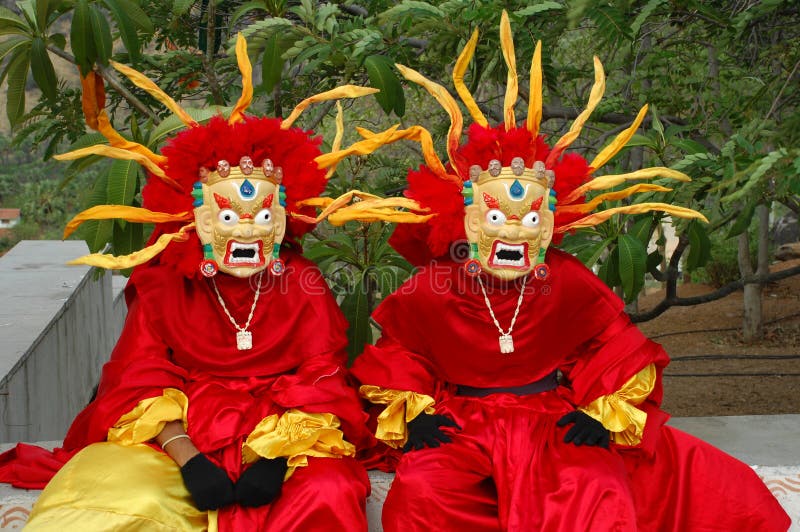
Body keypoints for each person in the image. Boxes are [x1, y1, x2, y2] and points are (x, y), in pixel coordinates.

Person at [349, 13, 791, 531]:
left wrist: (602, 411)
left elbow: (613, 345)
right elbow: (400, 353)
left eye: (530, 219)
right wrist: (415, 412)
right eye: (499, 219)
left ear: (549, 226)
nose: (514, 232)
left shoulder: (565, 278)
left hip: (549, 418)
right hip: (459, 423)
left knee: (595, 484)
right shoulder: (435, 284)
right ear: (468, 221)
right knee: (422, 493)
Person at [0, 35, 389, 531]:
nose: (245, 230)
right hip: (178, 431)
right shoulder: (165, 284)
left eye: (260, 216)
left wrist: (276, 455)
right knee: (124, 495)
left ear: (281, 222)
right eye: (228, 216)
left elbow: (323, 376)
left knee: (328, 491)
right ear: (200, 221)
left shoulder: (302, 281)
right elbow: (139, 375)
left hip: (289, 429)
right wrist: (188, 459)